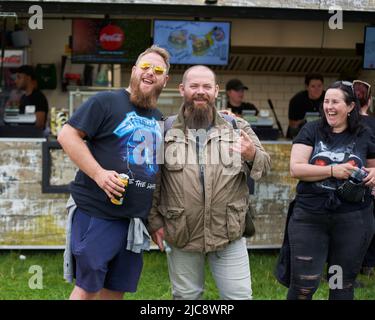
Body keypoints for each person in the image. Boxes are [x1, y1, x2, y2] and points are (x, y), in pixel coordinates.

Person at [148, 65, 271, 300]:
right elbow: (155, 181)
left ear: (216, 91)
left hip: (229, 231)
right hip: (181, 231)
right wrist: (154, 222)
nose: (200, 91)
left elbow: (265, 166)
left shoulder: (237, 127)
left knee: (239, 297)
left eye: (206, 86)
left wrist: (251, 154)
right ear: (182, 89)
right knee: (186, 297)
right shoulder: (164, 130)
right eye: (194, 86)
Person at [57, 45, 170, 300]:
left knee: (115, 291)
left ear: (165, 79)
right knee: (88, 288)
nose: (150, 72)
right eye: (145, 67)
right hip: (97, 213)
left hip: (132, 222)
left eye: (158, 69)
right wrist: (99, 174)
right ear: (133, 71)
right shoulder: (106, 101)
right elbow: (67, 135)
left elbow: (154, 172)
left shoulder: (159, 118)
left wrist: (153, 221)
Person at [287, 81, 375, 300]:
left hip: (352, 220)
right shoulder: (311, 129)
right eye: (327, 101)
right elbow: (296, 168)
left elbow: (373, 167)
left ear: (351, 106)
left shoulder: (364, 133)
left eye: (335, 102)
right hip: (310, 218)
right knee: (303, 286)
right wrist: (333, 170)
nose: (329, 107)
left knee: (341, 284)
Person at [354, 79, 375, 277]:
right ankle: (368, 264)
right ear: (369, 101)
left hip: (348, 181)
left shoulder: (345, 124)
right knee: (370, 223)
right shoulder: (373, 123)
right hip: (371, 180)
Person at [287, 73, 325, 139]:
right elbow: (292, 124)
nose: (317, 89)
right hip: (299, 134)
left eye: (319, 86)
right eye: (313, 86)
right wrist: (305, 120)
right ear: (307, 87)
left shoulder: (328, 98)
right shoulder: (297, 100)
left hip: (323, 135)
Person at [14, 65, 49, 130]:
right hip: (23, 136)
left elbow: (39, 123)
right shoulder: (23, 98)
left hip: (34, 137)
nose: (16, 81)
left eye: (19, 77)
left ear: (28, 78)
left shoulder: (38, 97)